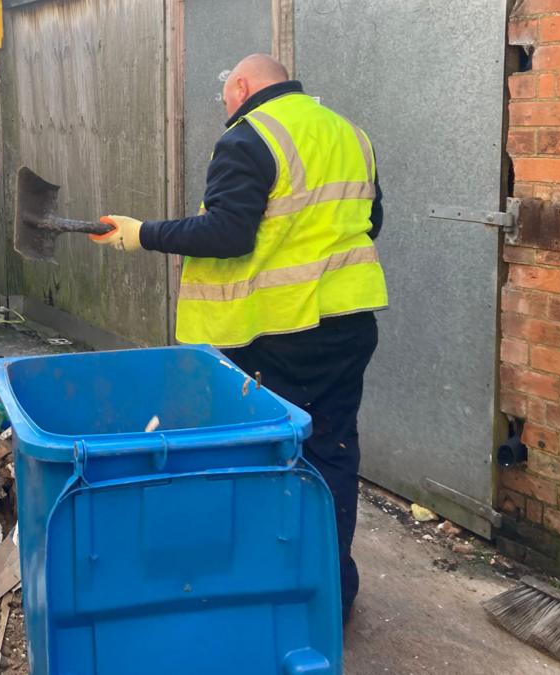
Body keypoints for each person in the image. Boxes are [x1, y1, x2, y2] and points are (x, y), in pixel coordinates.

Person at [90, 53, 387, 623]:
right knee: (332, 451)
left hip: (276, 333)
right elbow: (370, 223)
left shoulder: (249, 137)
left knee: (265, 460)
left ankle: (265, 590)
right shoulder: (351, 133)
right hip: (348, 326)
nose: (224, 107)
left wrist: (141, 234)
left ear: (244, 86)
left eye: (225, 94)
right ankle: (330, 590)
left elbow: (228, 232)